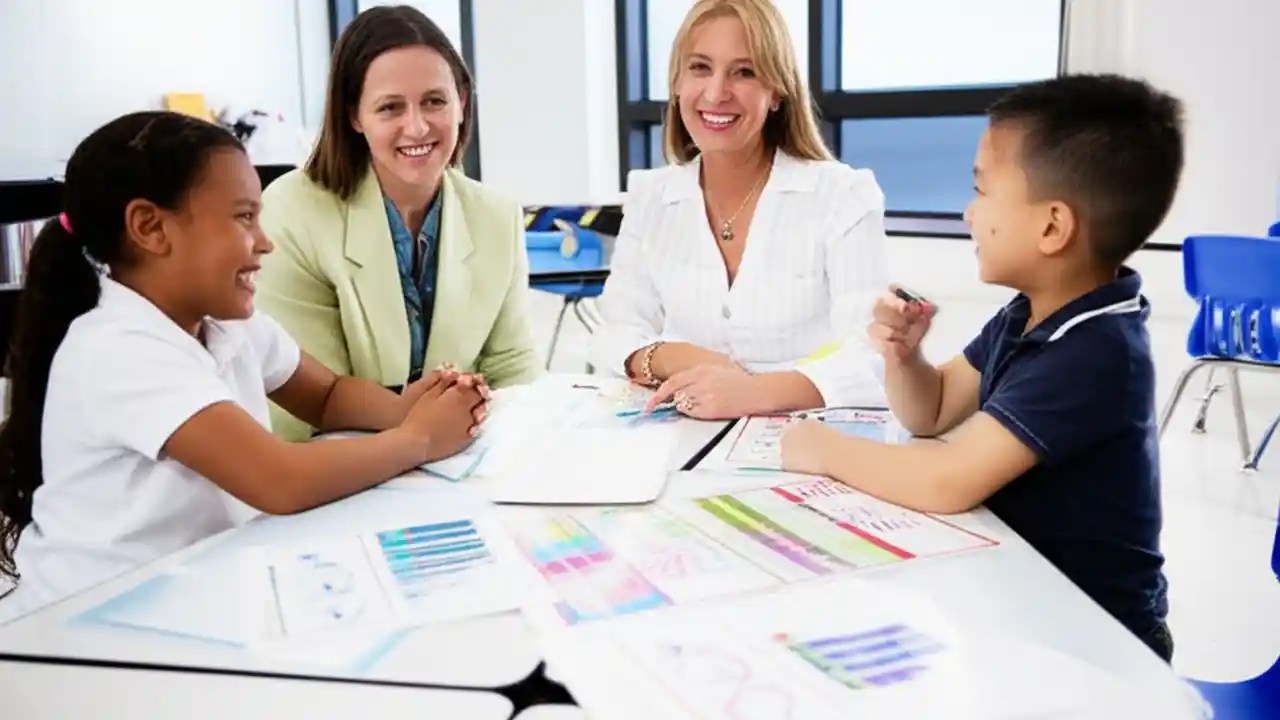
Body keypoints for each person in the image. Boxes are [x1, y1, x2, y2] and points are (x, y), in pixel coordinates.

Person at [0, 111, 487, 618]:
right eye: (243, 217)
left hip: (183, 588)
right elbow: (279, 479)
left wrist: (407, 408)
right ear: (150, 228)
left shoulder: (224, 322)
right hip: (84, 621)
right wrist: (420, 439)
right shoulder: (118, 349)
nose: (265, 242)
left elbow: (326, 396)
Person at [781, 74, 1184, 661]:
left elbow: (946, 478)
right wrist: (906, 356)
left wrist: (821, 448)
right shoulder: (1030, 311)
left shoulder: (1096, 349)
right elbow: (935, 409)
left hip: (1099, 647)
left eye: (982, 190)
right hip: (1025, 602)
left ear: (1052, 227)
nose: (969, 213)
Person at [591, 0, 888, 420]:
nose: (716, 93)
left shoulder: (842, 195)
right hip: (681, 432)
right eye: (699, 68)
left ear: (777, 93)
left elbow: (874, 354)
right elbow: (613, 334)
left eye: (744, 72)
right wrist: (671, 357)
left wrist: (754, 392)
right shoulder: (650, 196)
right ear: (676, 83)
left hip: (808, 439)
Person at [257, 5, 540, 441]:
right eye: (390, 108)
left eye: (435, 101)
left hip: (464, 458)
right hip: (335, 467)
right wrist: (424, 434)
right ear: (354, 116)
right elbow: (307, 403)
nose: (418, 126)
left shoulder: (496, 215)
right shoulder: (293, 212)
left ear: (461, 102)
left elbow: (513, 373)